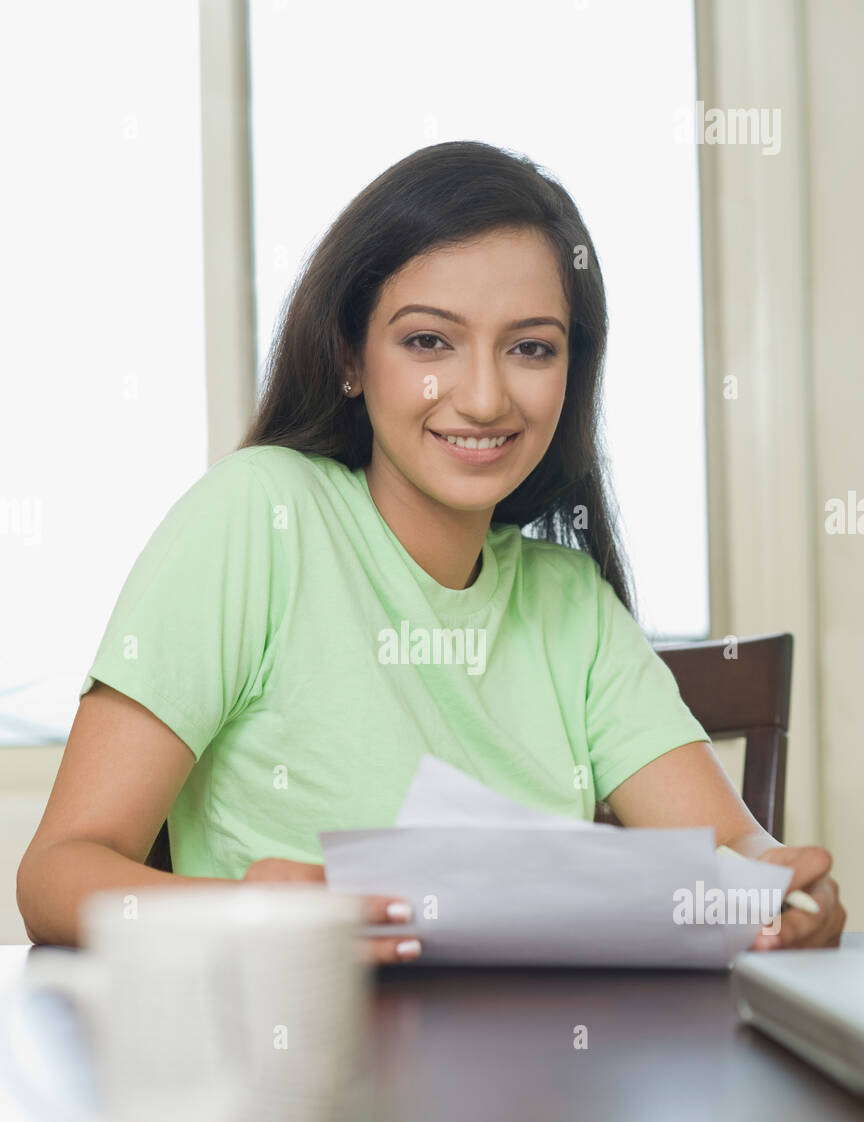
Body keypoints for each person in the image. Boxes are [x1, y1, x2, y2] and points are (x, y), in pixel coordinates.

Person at [16, 141, 845, 956]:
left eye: (531, 348)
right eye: (428, 342)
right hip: (307, 1066)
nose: (484, 398)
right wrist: (249, 917)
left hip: (542, 1077)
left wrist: (786, 888)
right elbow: (55, 876)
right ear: (350, 355)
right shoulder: (260, 515)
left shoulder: (570, 601)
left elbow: (735, 858)